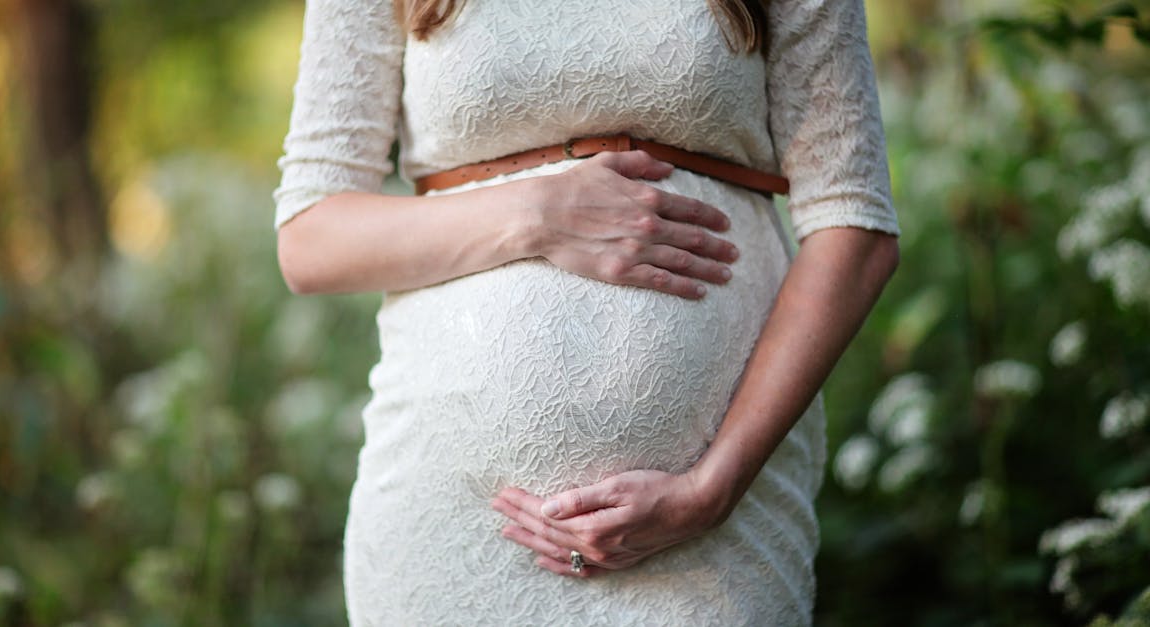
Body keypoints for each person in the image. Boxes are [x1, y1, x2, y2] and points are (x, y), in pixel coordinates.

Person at [272, 0, 900, 623]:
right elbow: (310, 239)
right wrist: (537, 215)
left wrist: (712, 489)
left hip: (714, 535)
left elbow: (854, 224)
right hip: (448, 524)